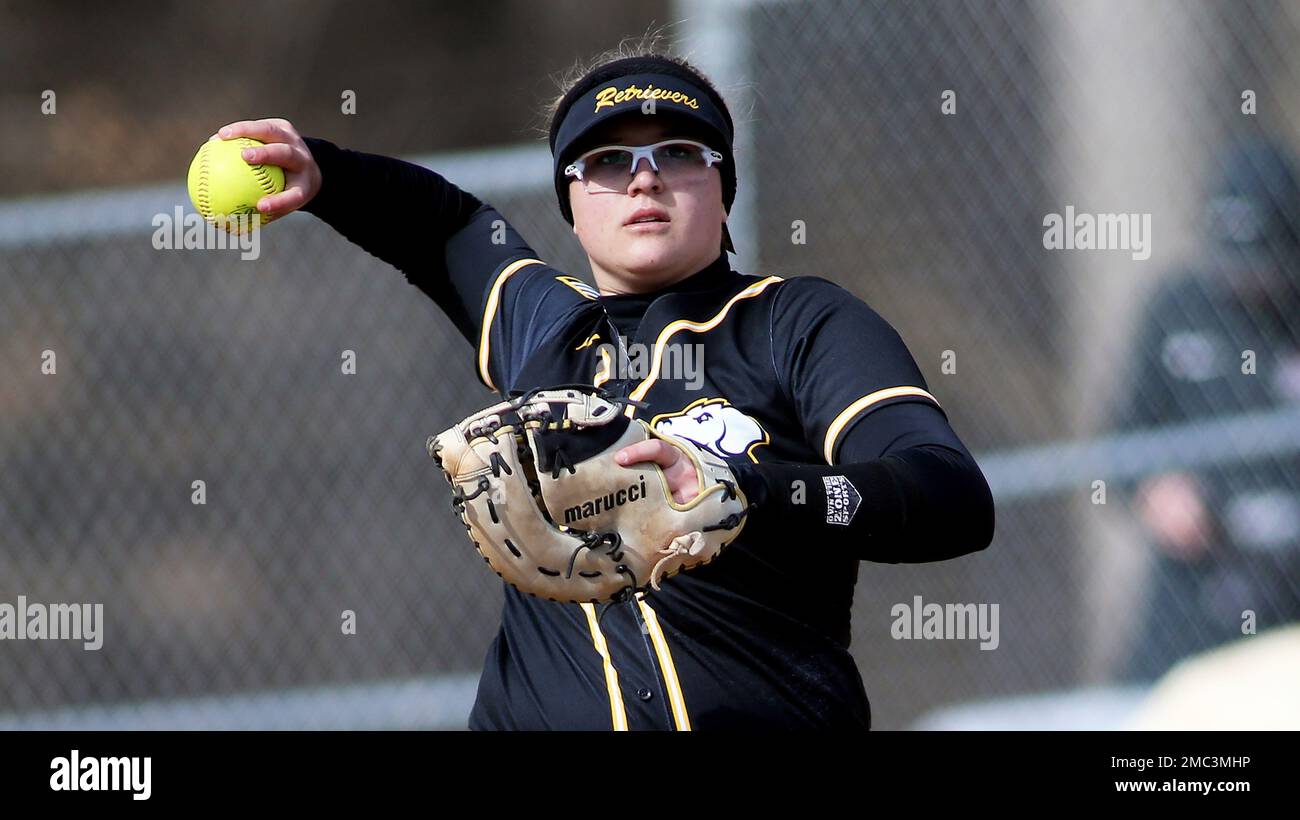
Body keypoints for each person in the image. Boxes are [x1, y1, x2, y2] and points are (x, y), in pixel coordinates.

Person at [212, 46, 994, 730]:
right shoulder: (542, 328)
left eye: (681, 153)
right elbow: (445, 226)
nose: (644, 178)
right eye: (608, 162)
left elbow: (949, 497)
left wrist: (750, 492)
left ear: (724, 192)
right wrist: (327, 173)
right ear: (573, 207)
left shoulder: (795, 322)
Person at [1113, 136, 1300, 682]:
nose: (1249, 284)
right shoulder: (1176, 309)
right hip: (1198, 593)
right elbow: (1121, 437)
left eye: (1265, 269)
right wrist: (1156, 489)